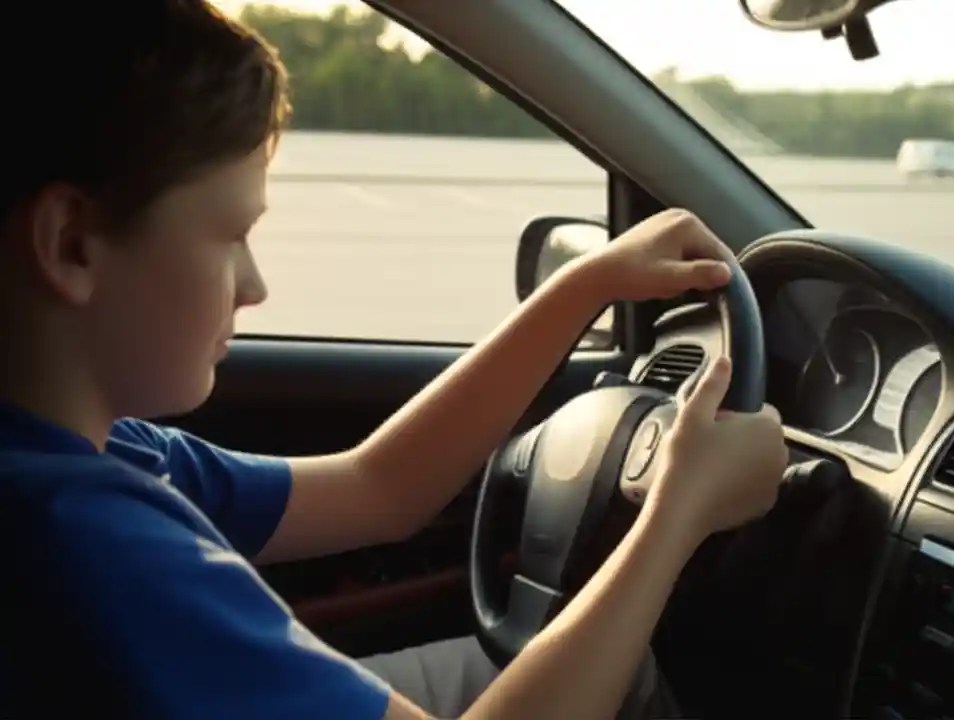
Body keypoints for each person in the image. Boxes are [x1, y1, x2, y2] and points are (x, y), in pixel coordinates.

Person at [0, 2, 789, 719]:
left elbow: (376, 488)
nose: (255, 286)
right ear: (72, 244)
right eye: (231, 235)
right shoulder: (90, 542)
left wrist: (587, 282)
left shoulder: (106, 455)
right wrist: (679, 512)